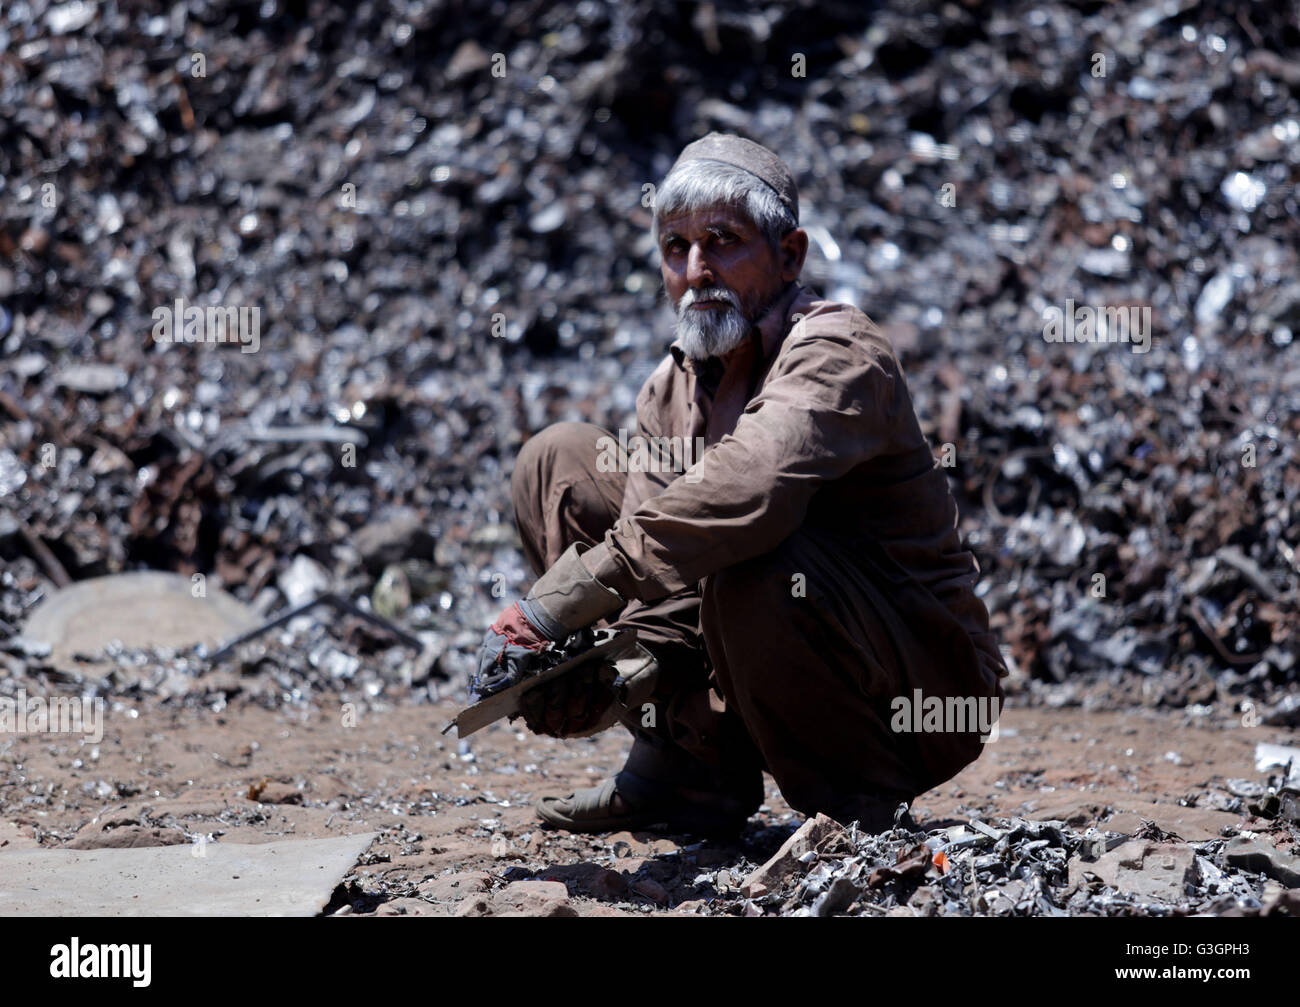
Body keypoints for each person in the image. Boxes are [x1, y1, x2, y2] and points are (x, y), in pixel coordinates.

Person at [477, 132, 1006, 837]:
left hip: (918, 686)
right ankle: (686, 775)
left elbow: (751, 491)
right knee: (560, 461)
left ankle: (856, 811)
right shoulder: (672, 388)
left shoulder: (840, 350)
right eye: (676, 248)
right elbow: (664, 600)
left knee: (755, 559)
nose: (696, 270)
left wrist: (556, 604)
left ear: (789, 255)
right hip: (757, 658)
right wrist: (611, 682)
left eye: (723, 241)